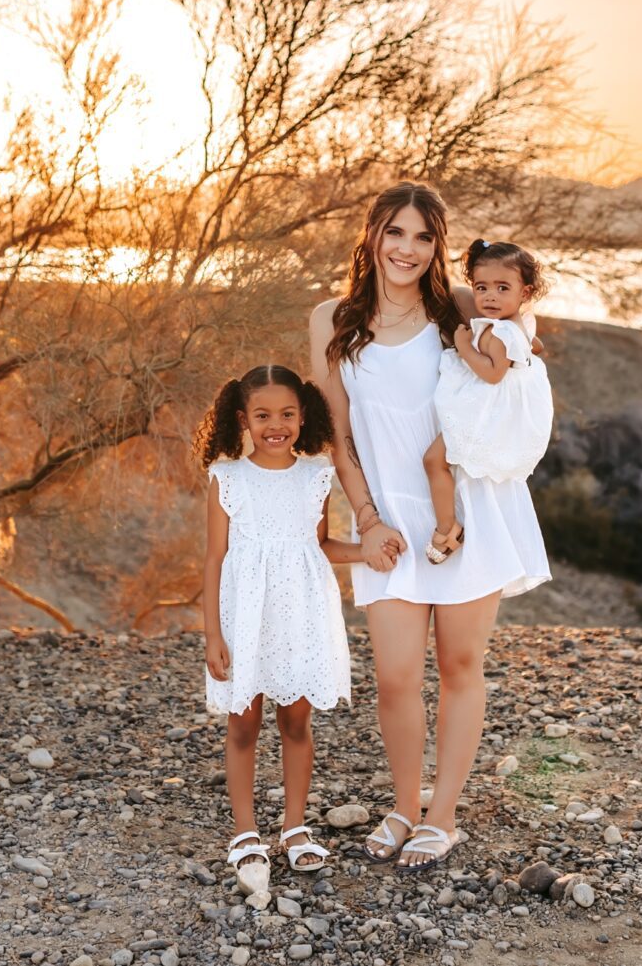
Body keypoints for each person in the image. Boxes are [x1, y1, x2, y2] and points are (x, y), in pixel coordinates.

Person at [308, 182, 550, 873]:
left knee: (459, 664)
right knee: (393, 676)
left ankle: (441, 814)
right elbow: (338, 436)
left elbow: (521, 337)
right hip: (386, 518)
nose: (406, 249)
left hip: (466, 510)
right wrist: (369, 519)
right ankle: (402, 802)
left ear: (437, 246)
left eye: (422, 237)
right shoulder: (331, 319)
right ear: (372, 235)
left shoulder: (460, 309)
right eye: (395, 233)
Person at [194, 364, 371, 894]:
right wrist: (212, 636)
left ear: (303, 415)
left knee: (296, 724)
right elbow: (213, 559)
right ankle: (246, 831)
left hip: (302, 615)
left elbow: (319, 545)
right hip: (244, 617)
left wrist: (368, 551)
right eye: (264, 414)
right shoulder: (227, 478)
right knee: (243, 725)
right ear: (243, 418)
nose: (277, 424)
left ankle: (295, 826)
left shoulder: (316, 473)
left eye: (288, 414)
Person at [423, 238, 554, 562]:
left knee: (433, 461)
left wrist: (463, 346)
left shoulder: (502, 332)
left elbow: (494, 373)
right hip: (492, 409)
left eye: (502, 288)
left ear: (525, 292)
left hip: (483, 412)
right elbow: (534, 346)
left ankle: (446, 529)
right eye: (481, 288)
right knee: (445, 464)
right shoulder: (516, 324)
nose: (490, 296)